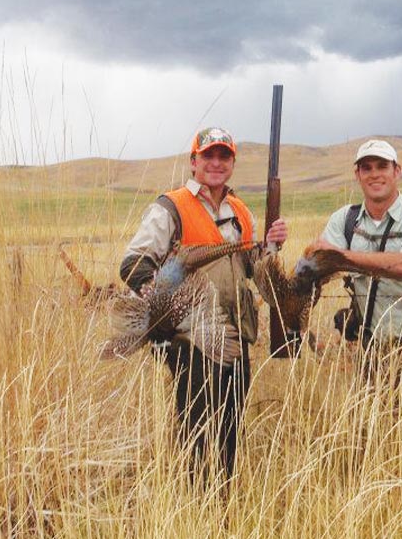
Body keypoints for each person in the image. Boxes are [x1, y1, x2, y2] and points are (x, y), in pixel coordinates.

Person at [120, 126, 287, 481]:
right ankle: (195, 508)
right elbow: (134, 265)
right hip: (190, 339)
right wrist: (167, 310)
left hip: (236, 335)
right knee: (198, 429)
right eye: (207, 155)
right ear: (193, 161)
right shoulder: (172, 206)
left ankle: (220, 500)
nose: (215, 162)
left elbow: (249, 268)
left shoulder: (240, 210)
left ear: (232, 162)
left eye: (223, 155)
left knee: (229, 427)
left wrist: (270, 248)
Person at [312, 139, 402, 383]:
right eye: (366, 168)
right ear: (357, 174)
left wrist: (340, 257)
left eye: (382, 166)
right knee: (368, 421)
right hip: (369, 350)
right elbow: (318, 263)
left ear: (397, 171)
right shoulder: (345, 219)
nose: (374, 174)